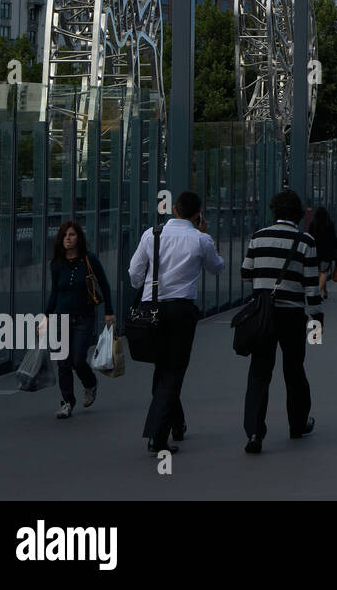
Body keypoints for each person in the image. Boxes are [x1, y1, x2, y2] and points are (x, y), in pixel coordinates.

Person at [128, 190, 224, 453]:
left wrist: (146, 287)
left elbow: (134, 273)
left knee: (162, 368)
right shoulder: (200, 239)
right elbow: (217, 267)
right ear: (198, 214)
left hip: (152, 308)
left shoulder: (152, 234)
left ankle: (177, 423)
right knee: (173, 371)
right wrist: (206, 235)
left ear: (174, 209)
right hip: (182, 310)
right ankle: (157, 437)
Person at [240, 190, 323, 454]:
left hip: (263, 313)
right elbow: (311, 286)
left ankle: (254, 432)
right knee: (294, 370)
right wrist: (317, 320)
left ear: (273, 210)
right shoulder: (306, 241)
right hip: (292, 315)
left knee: (259, 372)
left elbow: (246, 273)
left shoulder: (258, 236)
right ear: (298, 213)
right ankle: (297, 424)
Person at [46, 221, 114, 420]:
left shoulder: (89, 260)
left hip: (85, 316)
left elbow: (104, 285)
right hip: (61, 316)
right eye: (65, 235)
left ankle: (90, 383)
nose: (68, 238)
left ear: (79, 238)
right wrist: (47, 316)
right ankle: (67, 402)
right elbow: (54, 292)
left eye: (72, 235)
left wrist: (109, 311)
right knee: (63, 362)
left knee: (77, 359)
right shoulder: (56, 264)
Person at [308, 206, 337, 300]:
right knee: (324, 272)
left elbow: (309, 238)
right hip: (327, 252)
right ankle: (318, 293)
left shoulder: (312, 225)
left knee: (320, 272)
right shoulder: (329, 224)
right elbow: (334, 239)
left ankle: (325, 291)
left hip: (315, 252)